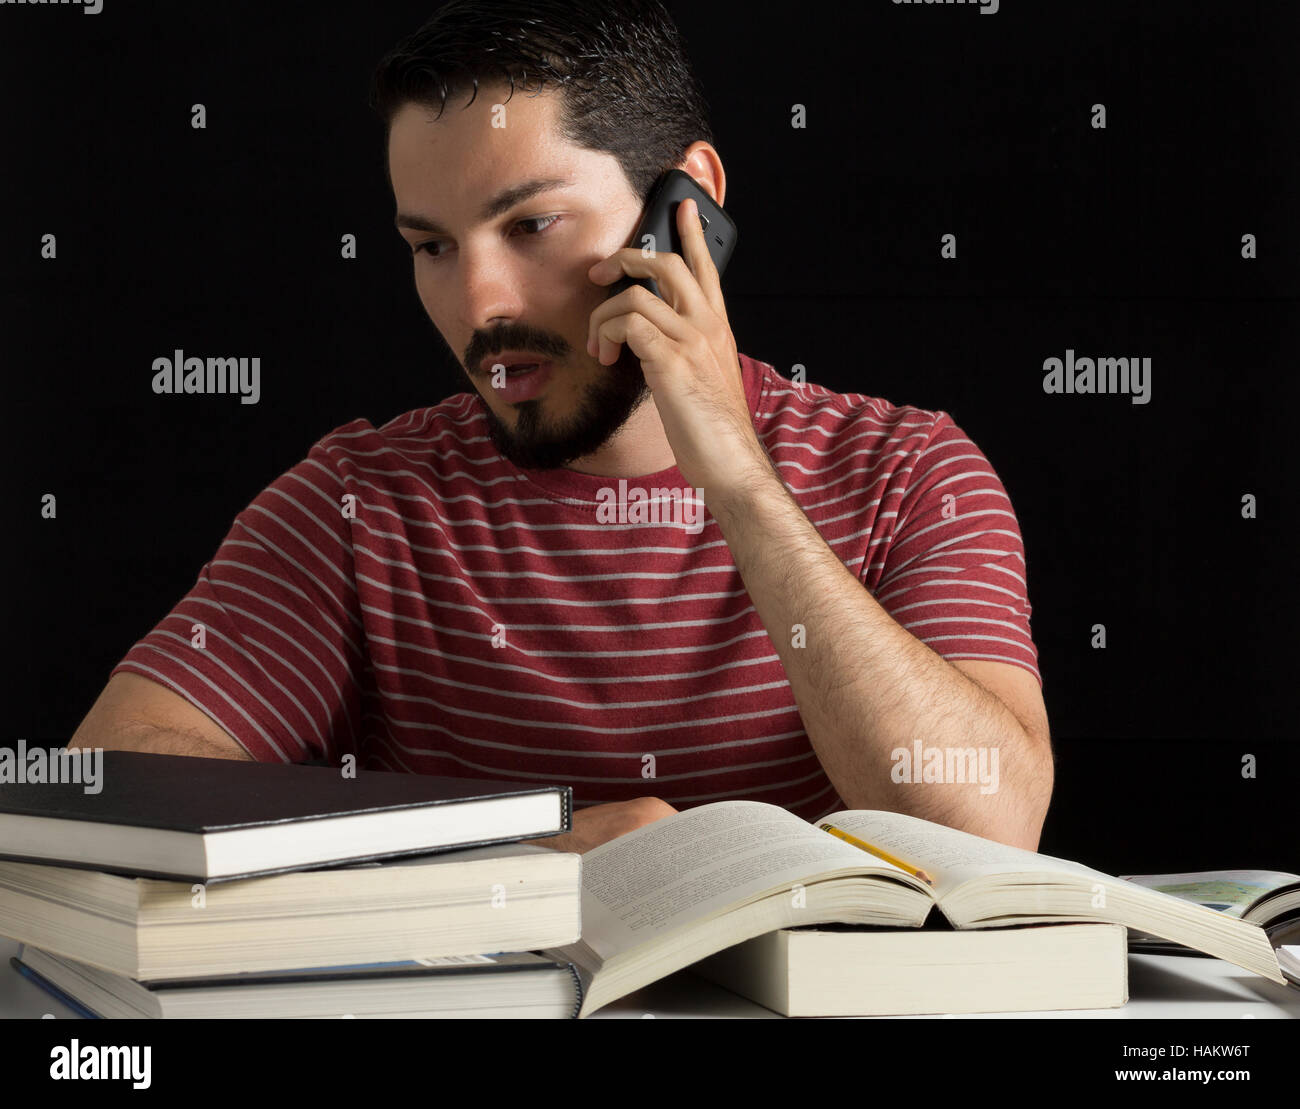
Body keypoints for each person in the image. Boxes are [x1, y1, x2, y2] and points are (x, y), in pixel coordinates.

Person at [69, 0, 1052, 853]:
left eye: (530, 224)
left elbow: (984, 828)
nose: (480, 300)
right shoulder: (361, 502)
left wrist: (742, 485)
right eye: (432, 245)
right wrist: (515, 836)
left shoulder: (908, 470)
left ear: (688, 205)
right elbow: (111, 781)